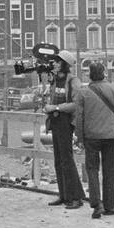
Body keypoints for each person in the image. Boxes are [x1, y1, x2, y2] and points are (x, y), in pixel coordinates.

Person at [74, 61, 114, 219]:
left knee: (92, 170)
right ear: (104, 73)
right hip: (111, 136)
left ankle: (97, 205)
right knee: (109, 170)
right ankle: (110, 205)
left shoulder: (83, 92)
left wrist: (80, 138)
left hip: (91, 137)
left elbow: (79, 118)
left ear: (89, 74)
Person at [42, 50, 85, 209]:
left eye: (58, 62)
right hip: (55, 123)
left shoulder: (73, 81)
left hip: (66, 124)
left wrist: (56, 107)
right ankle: (64, 195)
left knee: (67, 160)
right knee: (58, 160)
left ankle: (76, 197)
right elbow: (51, 98)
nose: (54, 63)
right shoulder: (55, 80)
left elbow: (76, 104)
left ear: (65, 65)